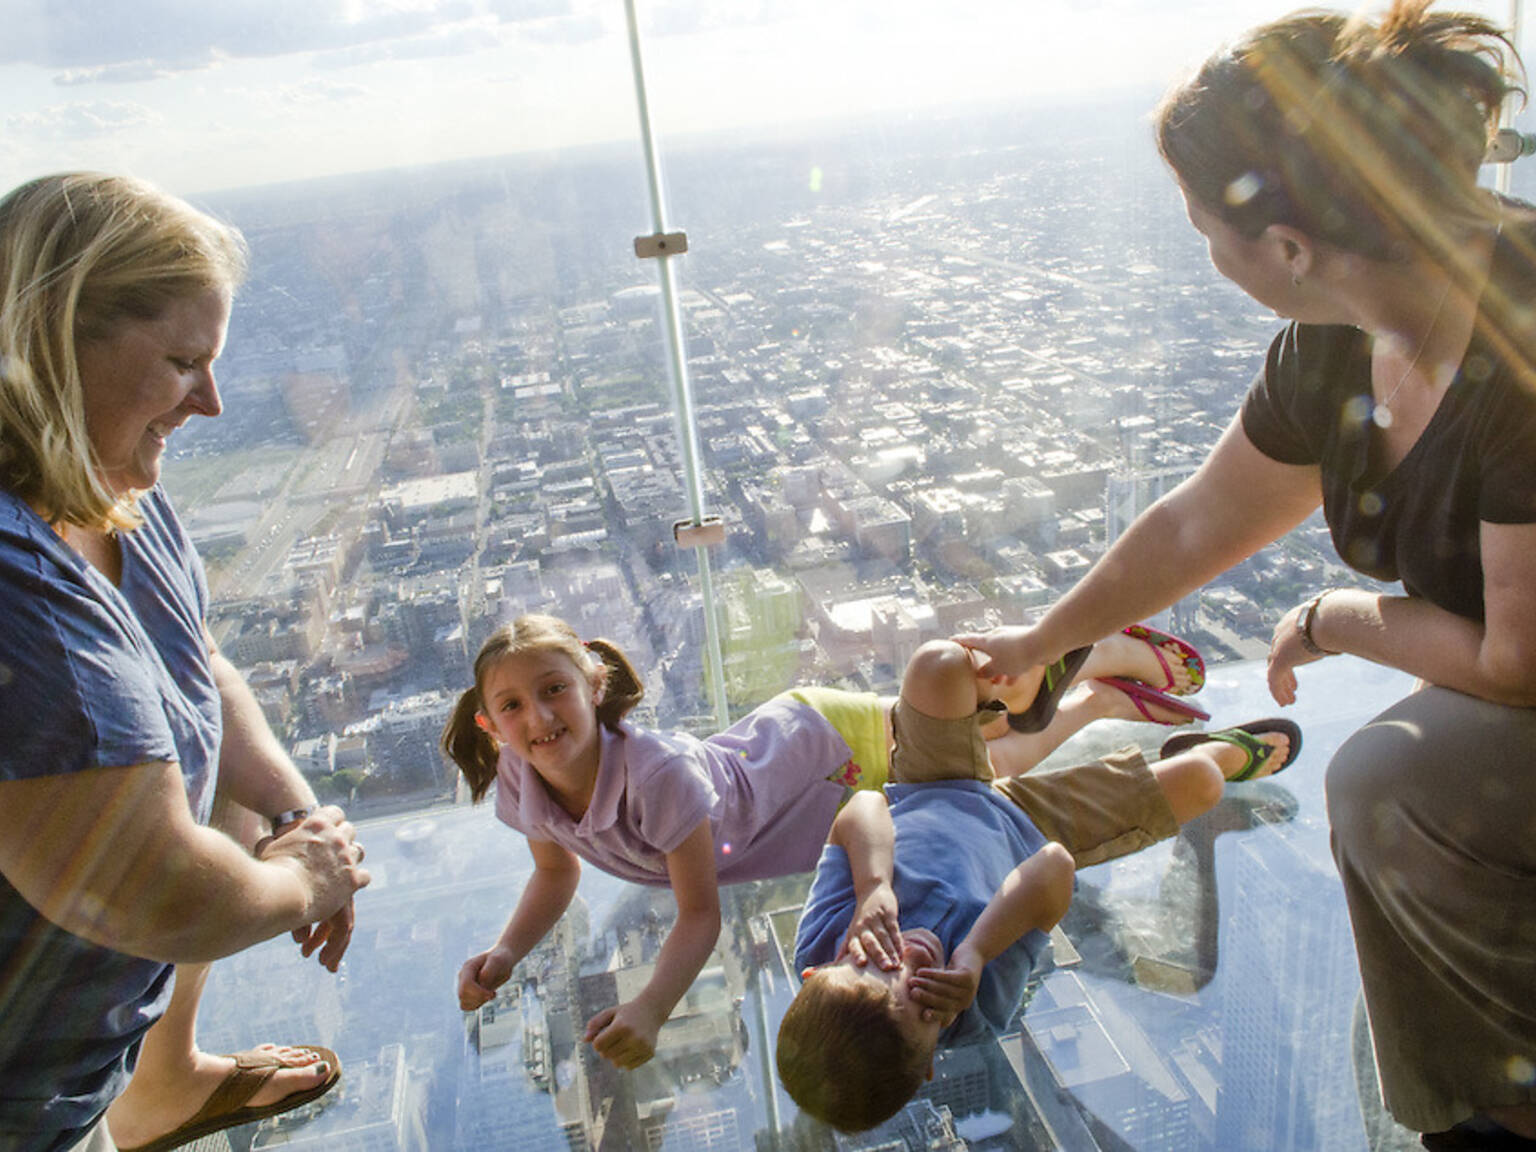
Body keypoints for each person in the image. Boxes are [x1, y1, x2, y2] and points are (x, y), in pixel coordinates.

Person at [957, 3, 1536, 1145]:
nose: (1206, 258)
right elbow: (1197, 526)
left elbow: (1517, 658)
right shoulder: (1340, 335)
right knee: (1390, 785)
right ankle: (1475, 1118)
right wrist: (1040, 646)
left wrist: (1335, 619)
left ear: (1287, 246)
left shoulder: (1519, 335)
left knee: (1392, 781)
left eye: (1202, 226)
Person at [0, 173, 371, 1152]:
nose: (209, 400)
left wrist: (298, 817)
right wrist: (304, 885)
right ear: (47, 338)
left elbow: (199, 668)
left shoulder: (119, 496)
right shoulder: (11, 593)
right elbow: (147, 888)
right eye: (180, 362)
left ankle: (160, 1086)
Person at [444, 612, 1207, 1070]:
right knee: (989, 755)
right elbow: (554, 874)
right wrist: (507, 953)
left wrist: (652, 1007)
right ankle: (1097, 696)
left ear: (592, 686)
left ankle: (1097, 658)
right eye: (513, 705)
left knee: (990, 758)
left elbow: (699, 917)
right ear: (490, 725)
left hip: (819, 759)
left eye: (553, 690)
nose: (539, 718)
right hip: (791, 770)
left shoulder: (655, 777)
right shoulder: (522, 778)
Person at [774, 638, 1300, 1133]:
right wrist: (977, 952)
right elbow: (1053, 867)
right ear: (933, 1056)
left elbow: (865, 807)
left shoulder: (822, 937)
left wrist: (873, 888)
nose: (913, 958)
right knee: (1204, 784)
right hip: (1028, 828)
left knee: (938, 664)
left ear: (818, 968)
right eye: (924, 1001)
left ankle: (1029, 697)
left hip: (933, 785)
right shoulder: (977, 1010)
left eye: (875, 962)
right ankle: (1215, 751)